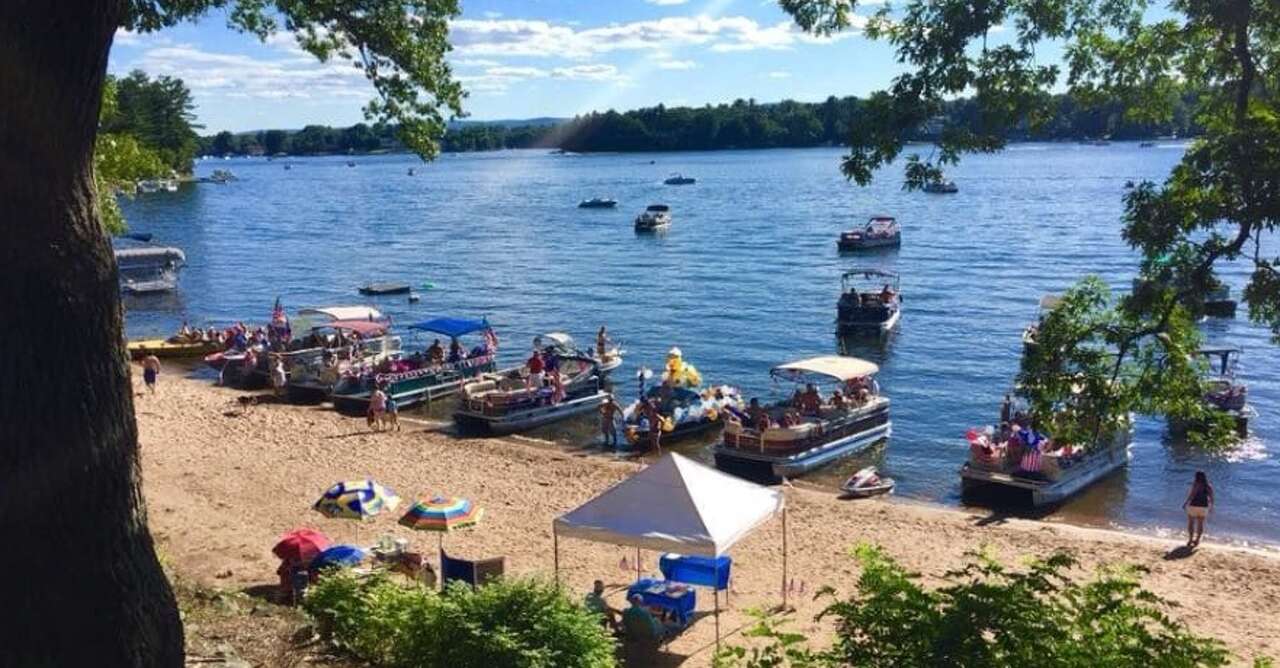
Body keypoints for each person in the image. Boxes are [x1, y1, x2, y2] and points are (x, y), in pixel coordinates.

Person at [1182, 471, 1214, 547]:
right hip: (1204, 506)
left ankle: (1190, 540)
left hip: (1194, 505)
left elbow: (1191, 495)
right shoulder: (1208, 486)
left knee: (1191, 523)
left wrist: (1185, 503)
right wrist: (1211, 507)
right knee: (1200, 524)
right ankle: (1197, 540)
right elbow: (1211, 498)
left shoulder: (1196, 485)